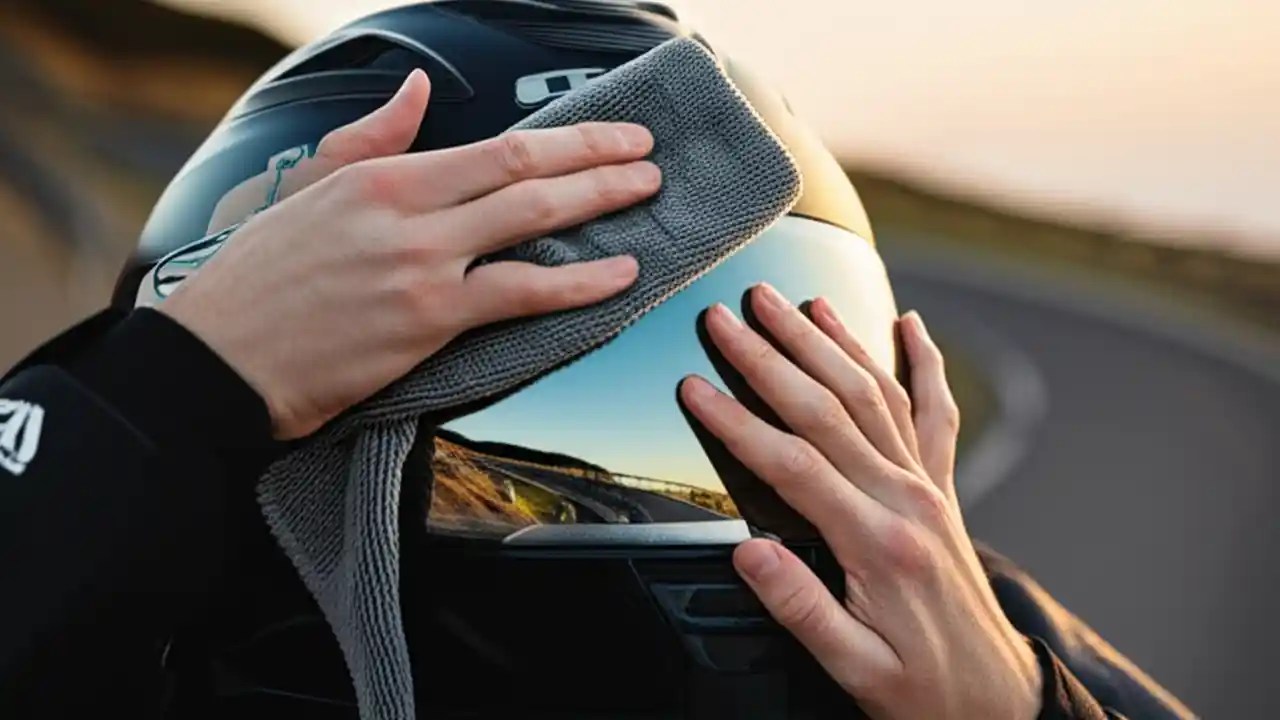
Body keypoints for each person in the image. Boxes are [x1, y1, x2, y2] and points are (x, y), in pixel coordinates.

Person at [0, 2, 1195, 719]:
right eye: (525, 402)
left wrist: (1018, 701)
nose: (776, 478)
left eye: (814, 377)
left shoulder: (937, 617)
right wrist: (169, 388)